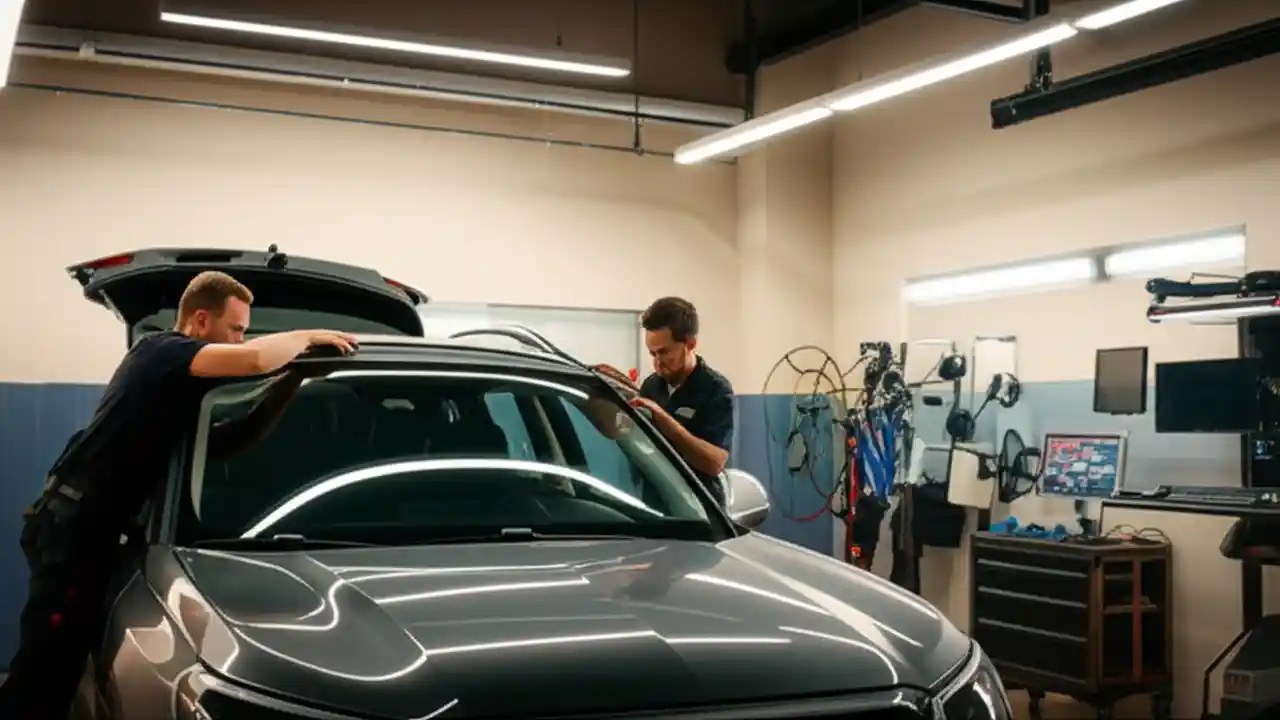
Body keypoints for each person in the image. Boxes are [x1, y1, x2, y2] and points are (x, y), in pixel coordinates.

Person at [0, 270, 359, 719]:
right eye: (237, 329)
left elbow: (227, 441)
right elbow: (253, 362)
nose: (241, 339)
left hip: (85, 528)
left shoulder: (180, 387)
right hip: (71, 530)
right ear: (201, 320)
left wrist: (290, 383)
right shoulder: (161, 352)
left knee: (61, 664)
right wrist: (304, 337)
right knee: (44, 669)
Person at [596, 297, 735, 506]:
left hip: (699, 512)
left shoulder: (716, 390)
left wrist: (663, 419)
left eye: (664, 352)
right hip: (655, 507)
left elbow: (715, 463)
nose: (657, 363)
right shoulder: (652, 385)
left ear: (690, 344)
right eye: (652, 353)